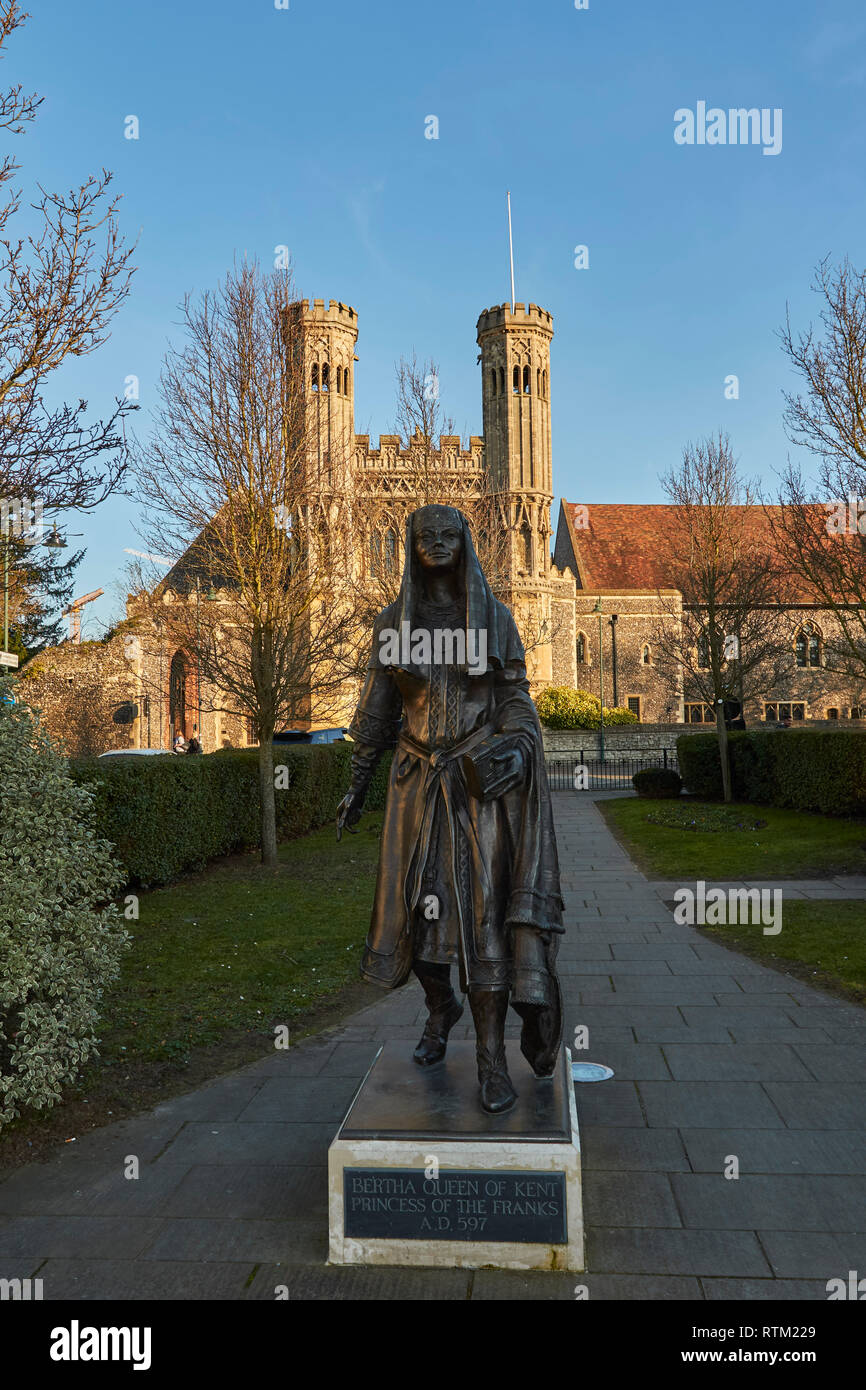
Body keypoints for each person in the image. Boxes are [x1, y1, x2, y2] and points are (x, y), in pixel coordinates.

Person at [336, 504, 564, 1115]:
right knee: (411, 917)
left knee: (482, 920)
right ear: (409, 547)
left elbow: (515, 699)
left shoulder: (494, 619)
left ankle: (491, 1059)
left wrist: (516, 746)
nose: (436, 544)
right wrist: (357, 785)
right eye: (424, 536)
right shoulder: (394, 623)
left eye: (448, 534)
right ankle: (441, 1008)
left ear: (465, 542)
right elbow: (378, 713)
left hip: (473, 788)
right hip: (414, 790)